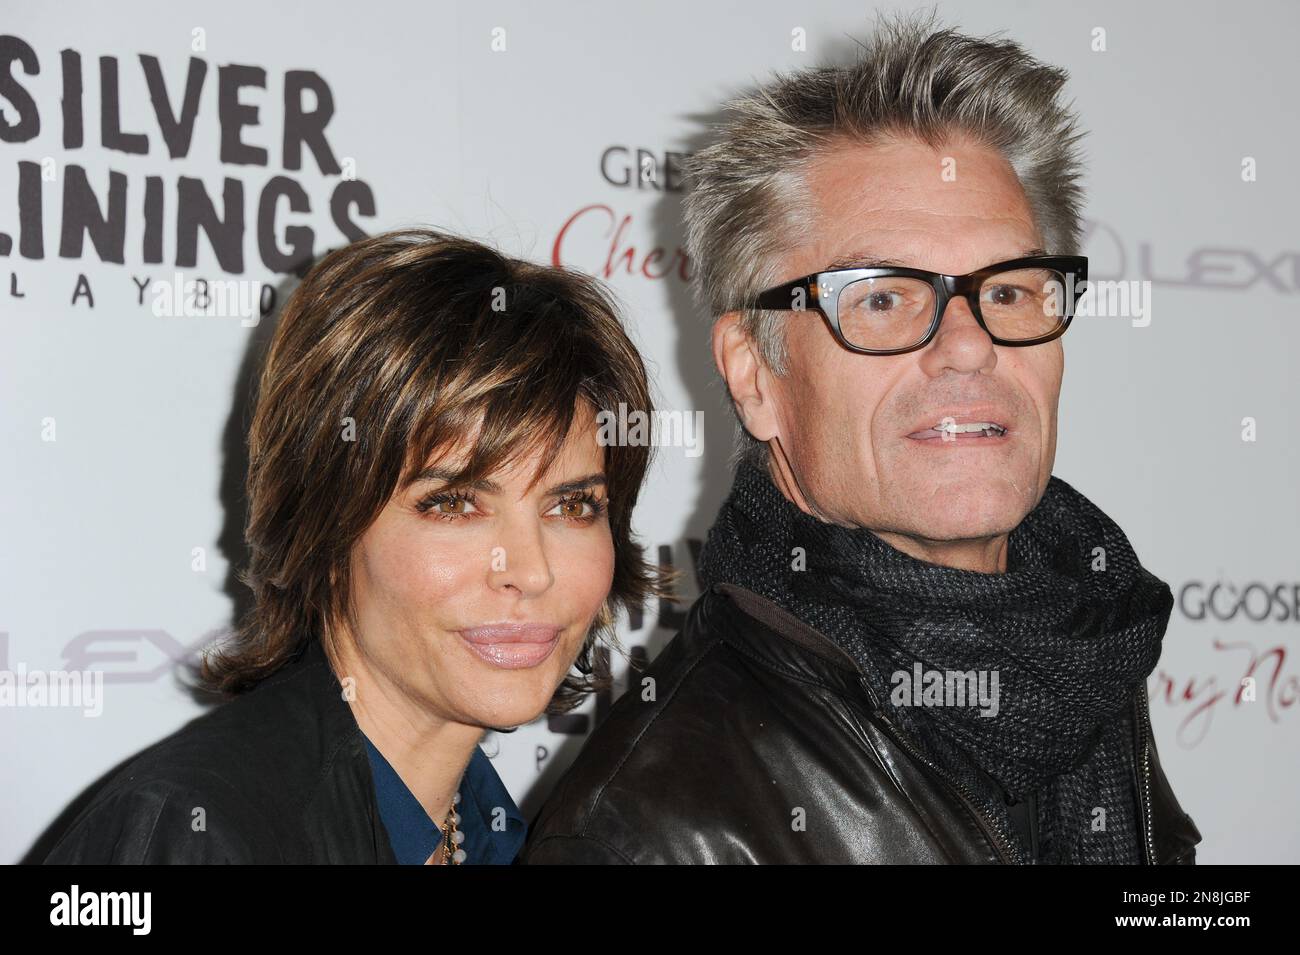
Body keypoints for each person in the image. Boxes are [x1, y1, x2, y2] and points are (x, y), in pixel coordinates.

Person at [523, 14, 1202, 864]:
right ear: (754, 374)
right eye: (882, 298)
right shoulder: (650, 827)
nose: (968, 345)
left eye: (1011, 289)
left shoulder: (1090, 647)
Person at [44, 228, 663, 864]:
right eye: (453, 504)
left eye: (572, 506)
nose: (530, 571)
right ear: (328, 528)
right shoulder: (197, 835)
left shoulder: (502, 837)